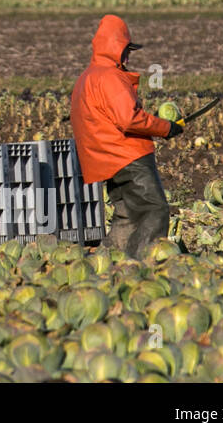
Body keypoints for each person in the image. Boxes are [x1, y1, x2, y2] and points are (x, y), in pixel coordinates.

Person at [69, 14, 181, 259]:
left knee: (128, 217)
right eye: (126, 50)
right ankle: (140, 263)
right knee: (155, 209)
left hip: (106, 162)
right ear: (114, 48)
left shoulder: (86, 78)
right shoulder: (108, 77)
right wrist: (166, 128)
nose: (128, 56)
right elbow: (129, 119)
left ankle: (103, 264)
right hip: (127, 157)